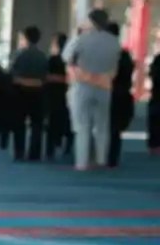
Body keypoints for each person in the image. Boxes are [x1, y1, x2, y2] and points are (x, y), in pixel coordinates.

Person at [62, 9, 120, 171]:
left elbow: (66, 56)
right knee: (102, 125)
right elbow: (114, 64)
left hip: (83, 84)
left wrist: (76, 34)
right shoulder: (114, 41)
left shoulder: (82, 39)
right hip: (104, 85)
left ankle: (81, 162)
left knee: (82, 125)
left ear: (91, 22)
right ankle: (101, 159)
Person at [9, 27, 47, 162]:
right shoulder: (42, 56)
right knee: (37, 124)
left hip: (21, 93)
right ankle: (34, 153)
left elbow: (12, 75)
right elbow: (45, 77)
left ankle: (19, 152)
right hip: (38, 93)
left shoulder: (20, 55)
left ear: (26, 38)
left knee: (19, 124)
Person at [106, 22, 135, 168]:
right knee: (115, 128)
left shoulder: (106, 54)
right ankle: (113, 158)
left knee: (105, 126)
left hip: (108, 92)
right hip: (122, 94)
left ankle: (102, 156)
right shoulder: (124, 54)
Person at [45, 34, 71, 160]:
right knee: (67, 122)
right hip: (68, 95)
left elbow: (46, 76)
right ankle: (67, 148)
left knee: (52, 122)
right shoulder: (71, 60)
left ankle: (50, 149)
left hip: (53, 95)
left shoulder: (52, 60)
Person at [149, 30, 160, 155]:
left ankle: (154, 145)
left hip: (157, 95)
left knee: (154, 120)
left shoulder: (157, 60)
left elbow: (153, 75)